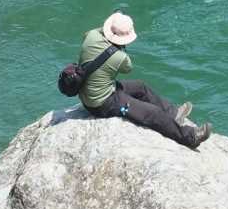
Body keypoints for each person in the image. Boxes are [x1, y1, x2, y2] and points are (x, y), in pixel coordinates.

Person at [78, 11, 211, 150]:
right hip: (102, 103)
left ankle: (173, 113)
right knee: (152, 113)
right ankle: (190, 137)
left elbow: (93, 36)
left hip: (89, 92)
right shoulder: (120, 57)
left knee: (140, 87)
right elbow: (127, 68)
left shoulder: (92, 35)